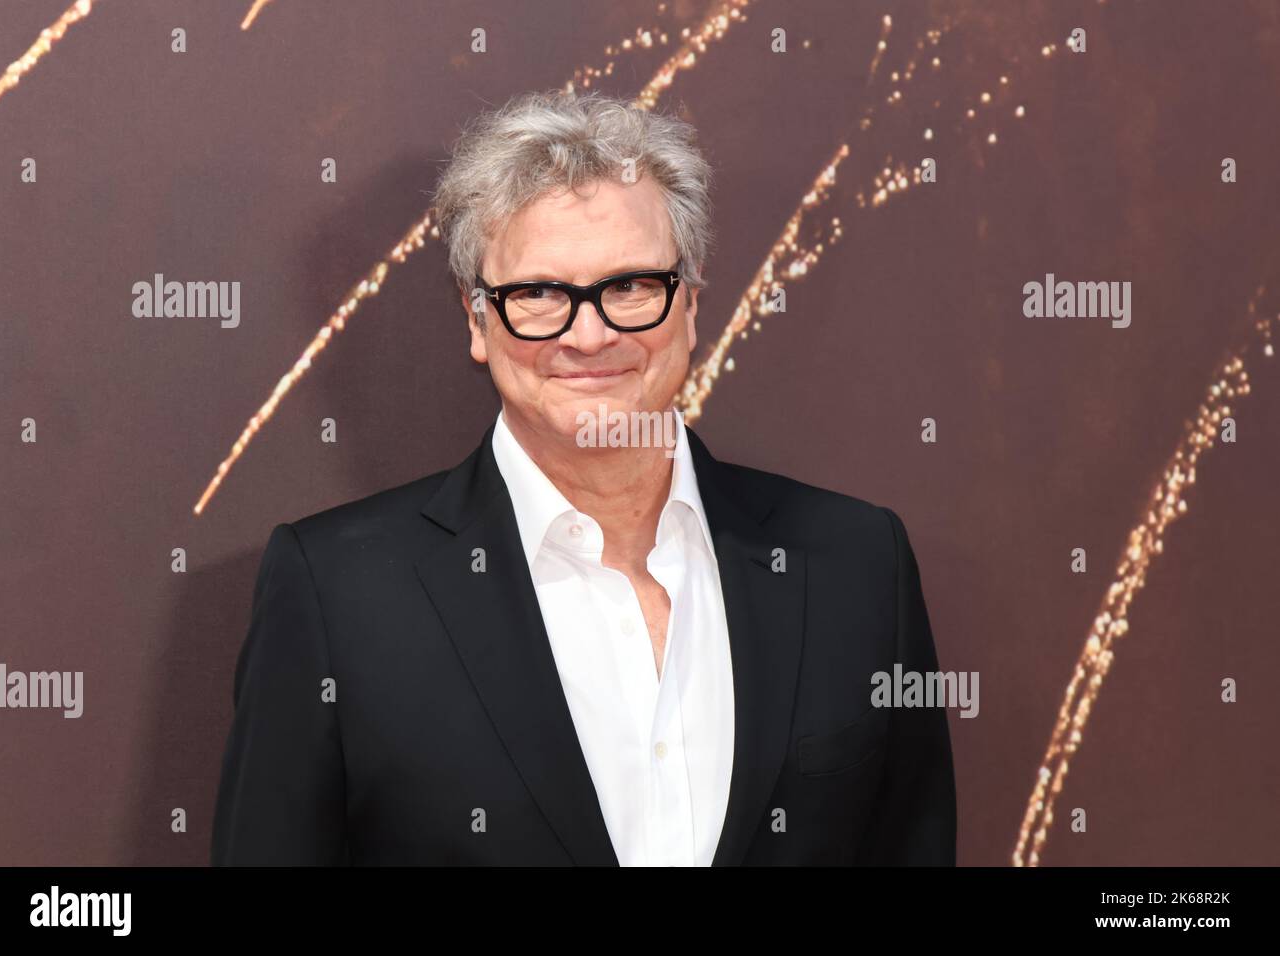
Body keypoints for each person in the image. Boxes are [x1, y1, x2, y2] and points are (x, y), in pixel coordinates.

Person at [211, 89, 955, 866]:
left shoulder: (858, 565)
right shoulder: (337, 596)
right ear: (477, 320)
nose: (591, 334)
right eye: (538, 293)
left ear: (692, 306)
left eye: (631, 286)